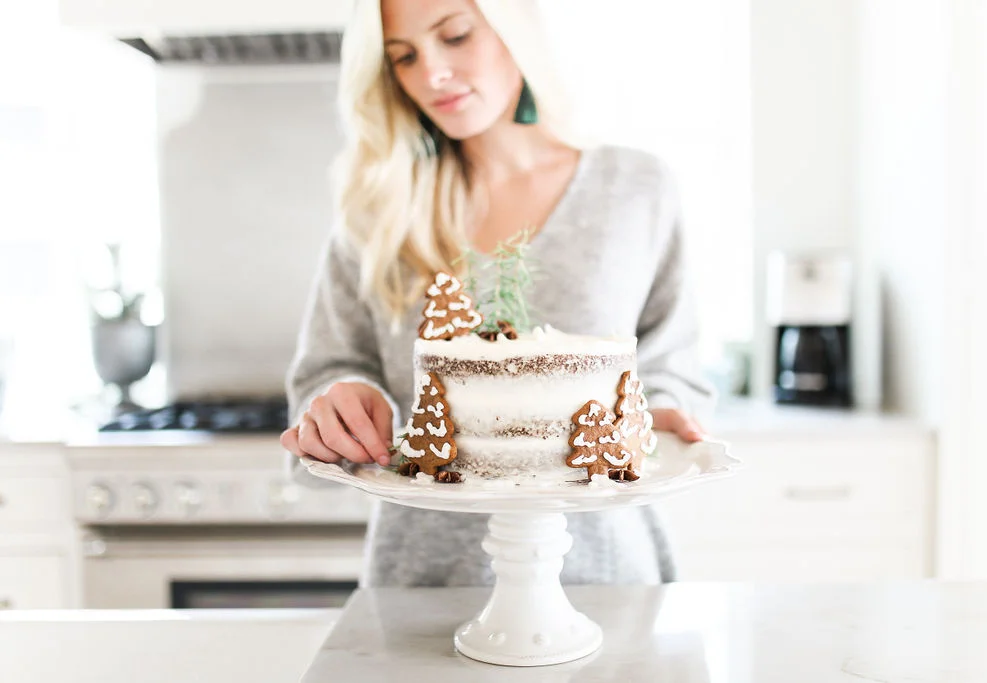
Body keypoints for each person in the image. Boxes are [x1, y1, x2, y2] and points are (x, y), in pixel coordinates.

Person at [280, 0, 716, 587]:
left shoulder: (635, 188)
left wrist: (661, 414)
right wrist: (339, 405)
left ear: (517, 26)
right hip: (422, 584)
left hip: (603, 576)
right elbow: (326, 373)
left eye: (455, 36)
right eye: (403, 57)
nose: (431, 73)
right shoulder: (380, 212)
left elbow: (674, 367)